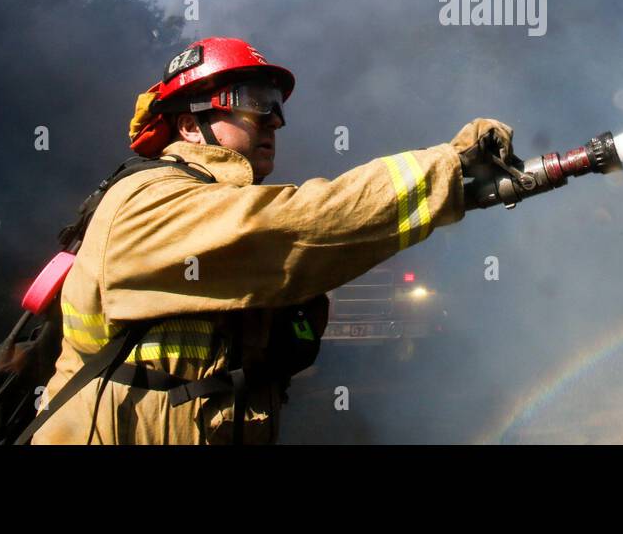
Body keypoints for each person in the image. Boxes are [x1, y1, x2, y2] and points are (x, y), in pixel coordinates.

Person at [29, 36, 514, 444]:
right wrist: (449, 163)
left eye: (277, 106)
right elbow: (303, 225)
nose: (276, 120)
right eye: (254, 102)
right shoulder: (149, 199)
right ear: (187, 125)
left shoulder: (203, 200)